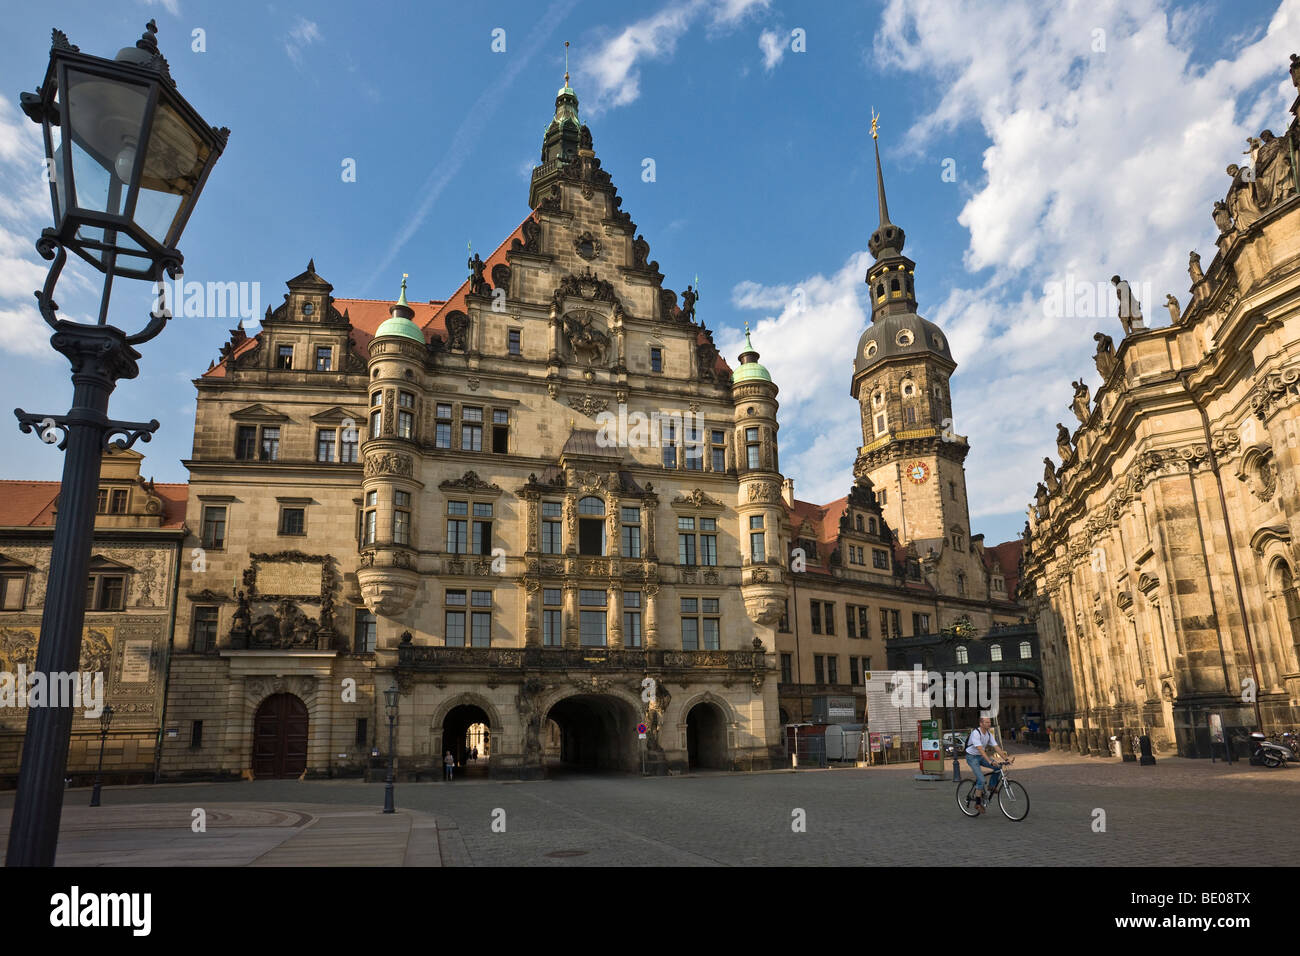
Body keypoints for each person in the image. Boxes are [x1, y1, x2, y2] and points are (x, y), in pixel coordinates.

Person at [965, 715, 1012, 815]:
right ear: (981, 724)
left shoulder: (989, 734)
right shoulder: (975, 734)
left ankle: (991, 786)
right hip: (972, 757)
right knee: (981, 780)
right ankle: (977, 803)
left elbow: (996, 747)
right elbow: (981, 750)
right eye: (986, 722)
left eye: (990, 722)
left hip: (980, 756)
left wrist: (1006, 758)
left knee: (998, 767)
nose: (989, 724)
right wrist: (990, 761)